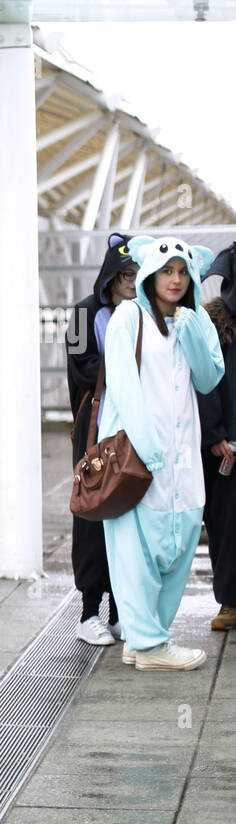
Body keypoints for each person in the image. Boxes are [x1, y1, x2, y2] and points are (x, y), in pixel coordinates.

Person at [101, 236, 224, 671]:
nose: (175, 280)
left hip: (184, 458)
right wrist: (149, 450)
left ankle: (141, 637)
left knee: (182, 539)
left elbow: (209, 379)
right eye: (167, 270)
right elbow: (123, 385)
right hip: (139, 456)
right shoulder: (127, 318)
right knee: (136, 547)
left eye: (182, 272)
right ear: (151, 272)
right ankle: (151, 645)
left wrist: (191, 331)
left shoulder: (195, 321)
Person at [64, 234, 136, 645]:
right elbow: (80, 370)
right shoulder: (81, 314)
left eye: (135, 275)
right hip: (94, 433)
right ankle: (89, 612)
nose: (131, 282)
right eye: (125, 274)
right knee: (92, 513)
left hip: (130, 433)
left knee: (127, 515)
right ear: (110, 274)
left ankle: (121, 611)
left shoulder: (141, 314)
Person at [198, 247, 236, 631]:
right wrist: (214, 434)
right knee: (225, 524)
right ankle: (230, 600)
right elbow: (203, 381)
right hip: (226, 446)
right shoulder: (214, 321)